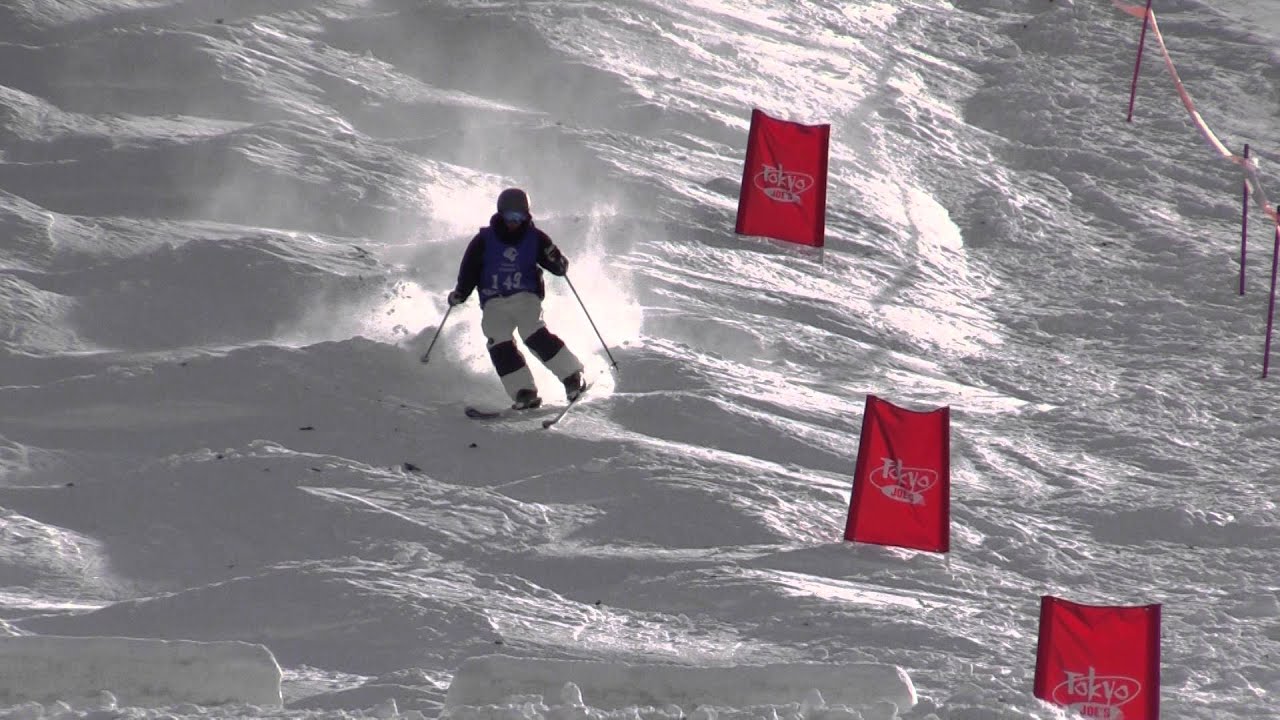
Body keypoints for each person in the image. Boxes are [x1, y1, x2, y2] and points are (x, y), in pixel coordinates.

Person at [446, 188, 586, 409]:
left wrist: (557, 262)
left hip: (525, 296)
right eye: (510, 216)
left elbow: (559, 266)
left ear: (527, 215)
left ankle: (572, 377)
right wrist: (461, 293)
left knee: (532, 331)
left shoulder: (536, 238)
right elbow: (469, 270)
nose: (514, 222)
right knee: (497, 338)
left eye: (519, 217)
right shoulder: (483, 240)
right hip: (494, 300)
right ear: (500, 214)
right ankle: (524, 391)